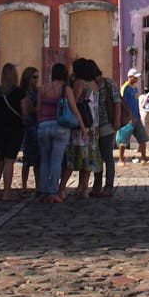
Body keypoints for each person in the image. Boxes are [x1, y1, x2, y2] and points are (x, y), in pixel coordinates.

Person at [37, 63, 86, 203]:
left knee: (45, 160)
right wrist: (83, 128)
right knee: (56, 161)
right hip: (60, 127)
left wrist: (39, 124)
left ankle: (44, 190)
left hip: (43, 126)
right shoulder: (65, 89)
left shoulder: (43, 88)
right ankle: (53, 192)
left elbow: (39, 109)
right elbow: (74, 110)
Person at [59, 58, 102, 199]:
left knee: (72, 158)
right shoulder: (94, 85)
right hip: (93, 125)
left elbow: (74, 103)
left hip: (80, 126)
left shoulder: (80, 83)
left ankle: (62, 189)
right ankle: (83, 189)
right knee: (87, 160)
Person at [0, 63, 26, 202]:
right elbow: (25, 111)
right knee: (9, 161)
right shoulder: (19, 92)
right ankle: (6, 193)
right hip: (15, 129)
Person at [91, 63, 121, 198]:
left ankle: (108, 186)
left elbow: (117, 102)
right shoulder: (91, 85)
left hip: (107, 124)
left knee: (107, 156)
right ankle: (97, 185)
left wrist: (117, 120)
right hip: (94, 126)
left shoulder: (108, 83)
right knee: (97, 157)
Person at [117, 69, 149, 165]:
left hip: (136, 117)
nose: (137, 78)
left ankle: (144, 159)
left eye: (137, 77)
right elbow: (122, 102)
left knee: (143, 138)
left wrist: (138, 114)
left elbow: (135, 103)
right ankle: (121, 159)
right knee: (123, 139)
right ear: (130, 76)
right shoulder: (125, 88)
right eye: (135, 77)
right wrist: (127, 115)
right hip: (127, 118)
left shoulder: (135, 89)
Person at [19, 66, 40, 197]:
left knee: (38, 159)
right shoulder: (23, 92)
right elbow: (27, 110)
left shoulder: (37, 91)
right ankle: (24, 185)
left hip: (36, 126)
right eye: (34, 77)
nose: (37, 80)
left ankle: (38, 185)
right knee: (26, 159)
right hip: (27, 126)